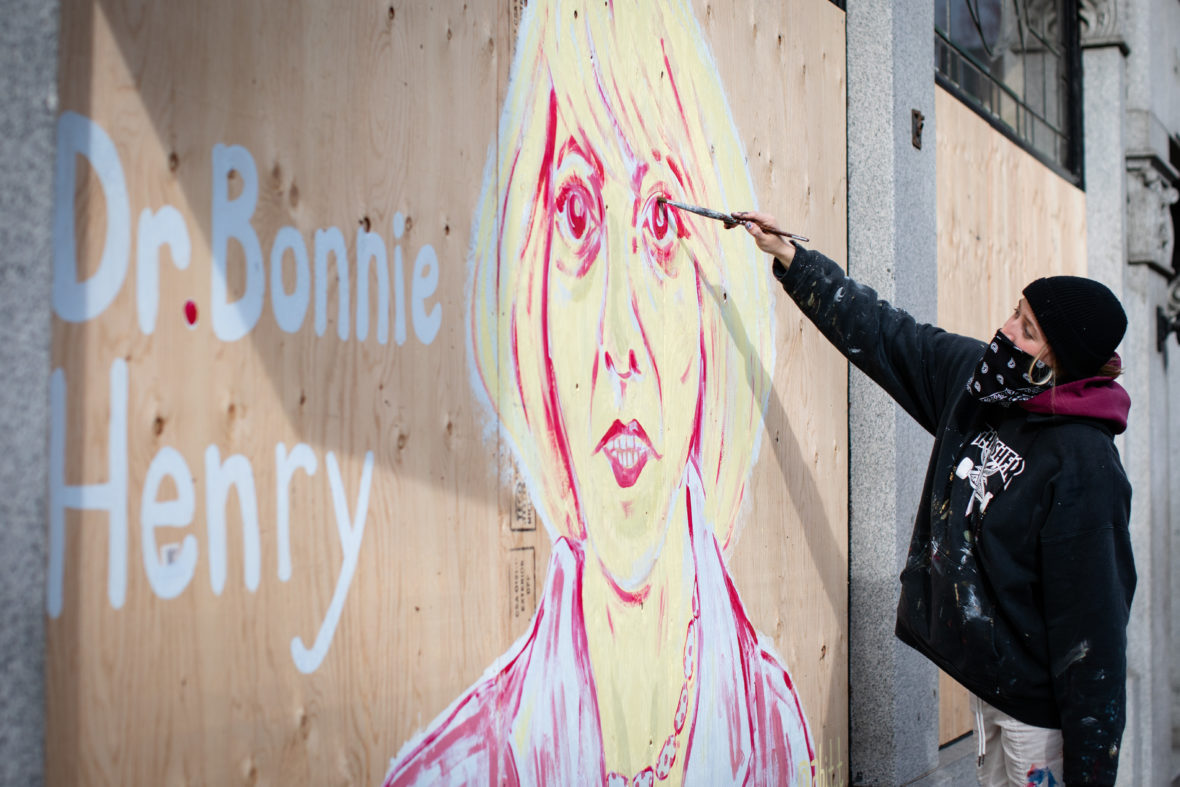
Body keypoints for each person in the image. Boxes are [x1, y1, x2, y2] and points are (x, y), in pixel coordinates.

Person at [385, 4, 814, 785]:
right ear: (528, 289)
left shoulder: (776, 731)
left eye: (659, 224)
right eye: (577, 213)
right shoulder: (454, 771)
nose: (620, 343)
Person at [735, 211, 1136, 786]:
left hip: (1042, 724)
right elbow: (889, 335)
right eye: (1013, 312)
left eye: (1025, 329)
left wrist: (1091, 769)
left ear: (1055, 364)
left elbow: (1095, 632)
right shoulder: (983, 389)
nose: (1004, 330)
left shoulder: (1085, 465)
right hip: (992, 691)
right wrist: (793, 259)